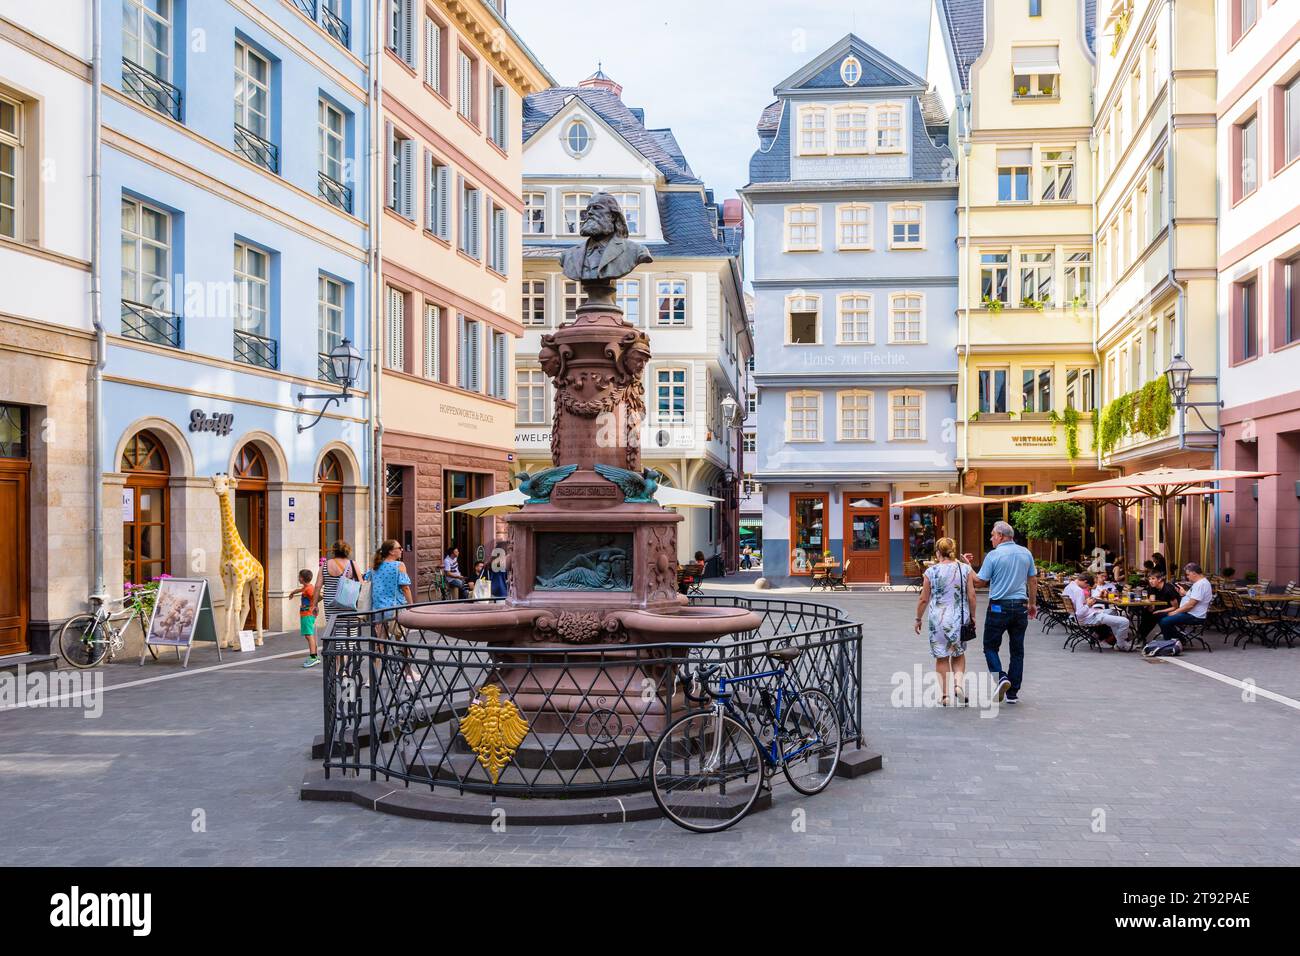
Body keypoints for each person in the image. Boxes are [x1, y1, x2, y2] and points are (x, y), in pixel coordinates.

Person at [967, 520, 1036, 703]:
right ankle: (1012, 693)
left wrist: (967, 567)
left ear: (1001, 536)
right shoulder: (1025, 552)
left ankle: (1001, 677)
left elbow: (980, 582)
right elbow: (1032, 580)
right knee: (1017, 650)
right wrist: (1032, 604)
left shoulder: (994, 555)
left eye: (992, 535)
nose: (991, 539)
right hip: (1021, 605)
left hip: (998, 607)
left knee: (990, 646)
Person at [914, 537, 976, 706]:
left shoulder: (931, 572)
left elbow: (923, 599)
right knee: (958, 653)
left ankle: (945, 696)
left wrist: (918, 618)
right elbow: (971, 595)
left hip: (938, 619)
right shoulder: (965, 569)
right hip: (959, 618)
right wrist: (973, 616)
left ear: (937, 552)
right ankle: (958, 685)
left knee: (941, 657)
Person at [1063, 572, 1132, 651]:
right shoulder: (1078, 591)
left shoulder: (1069, 586)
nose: (1086, 588)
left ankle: (1116, 638)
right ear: (1085, 582)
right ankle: (1121, 644)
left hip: (1075, 616)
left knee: (1112, 612)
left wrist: (1087, 603)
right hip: (1087, 618)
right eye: (1087, 586)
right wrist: (1088, 605)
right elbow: (1080, 613)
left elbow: (1077, 608)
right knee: (1125, 621)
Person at [312, 540, 363, 644]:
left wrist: (314, 604)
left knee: (335, 630)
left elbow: (317, 586)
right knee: (349, 631)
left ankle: (338, 657)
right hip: (349, 603)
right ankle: (344, 656)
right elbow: (361, 584)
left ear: (333, 551)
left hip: (331, 603)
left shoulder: (325, 565)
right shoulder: (352, 564)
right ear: (347, 551)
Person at [1157, 563, 1213, 641]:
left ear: (1194, 573)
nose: (1187, 577)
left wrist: (1175, 611)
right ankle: (1177, 637)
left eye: (1188, 574)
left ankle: (1170, 642)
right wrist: (1184, 594)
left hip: (1194, 616)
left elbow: (1191, 605)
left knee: (1165, 621)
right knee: (1160, 616)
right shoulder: (1200, 583)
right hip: (1190, 613)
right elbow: (1194, 598)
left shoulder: (1201, 584)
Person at [288, 568, 320, 667]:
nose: (298, 578)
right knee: (309, 635)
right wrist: (293, 592)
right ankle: (315, 656)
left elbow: (318, 596)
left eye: (299, 577)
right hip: (307, 614)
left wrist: (314, 606)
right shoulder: (307, 587)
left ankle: (313, 657)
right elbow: (300, 590)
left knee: (308, 635)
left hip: (307, 615)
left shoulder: (309, 589)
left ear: (302, 578)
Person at [1138, 569, 1181, 643]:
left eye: (1153, 578)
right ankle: (1140, 636)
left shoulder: (1168, 589)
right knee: (1146, 613)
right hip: (1161, 607)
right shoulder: (1153, 587)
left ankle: (1140, 637)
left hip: (1172, 610)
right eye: (1149, 579)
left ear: (1160, 579)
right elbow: (1152, 602)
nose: (1150, 581)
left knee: (1154, 615)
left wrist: (1159, 611)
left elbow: (1175, 607)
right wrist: (1149, 606)